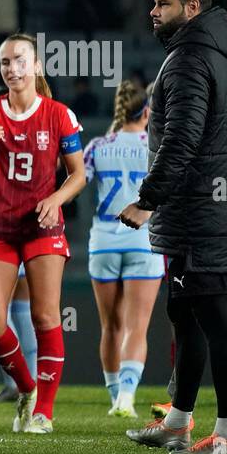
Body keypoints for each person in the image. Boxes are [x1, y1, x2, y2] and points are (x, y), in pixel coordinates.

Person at [122, 0, 227, 454]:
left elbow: (182, 138)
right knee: (185, 311)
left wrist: (147, 199)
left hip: (199, 210)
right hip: (212, 207)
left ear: (193, 8)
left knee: (212, 315)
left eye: (163, 4)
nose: (153, 12)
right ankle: (179, 422)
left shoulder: (187, 60)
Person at [0, 34, 86, 434]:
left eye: (20, 60)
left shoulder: (59, 115)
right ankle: (26, 388)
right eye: (5, 62)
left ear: (37, 66)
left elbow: (78, 174)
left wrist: (56, 199)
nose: (12, 69)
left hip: (41, 227)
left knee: (44, 314)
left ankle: (44, 413)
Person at [83, 80, 163, 418]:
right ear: (147, 112)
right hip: (143, 242)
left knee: (110, 326)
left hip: (102, 242)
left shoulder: (98, 145)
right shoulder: (156, 146)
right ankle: (126, 398)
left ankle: (114, 394)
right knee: (136, 326)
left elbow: (74, 181)